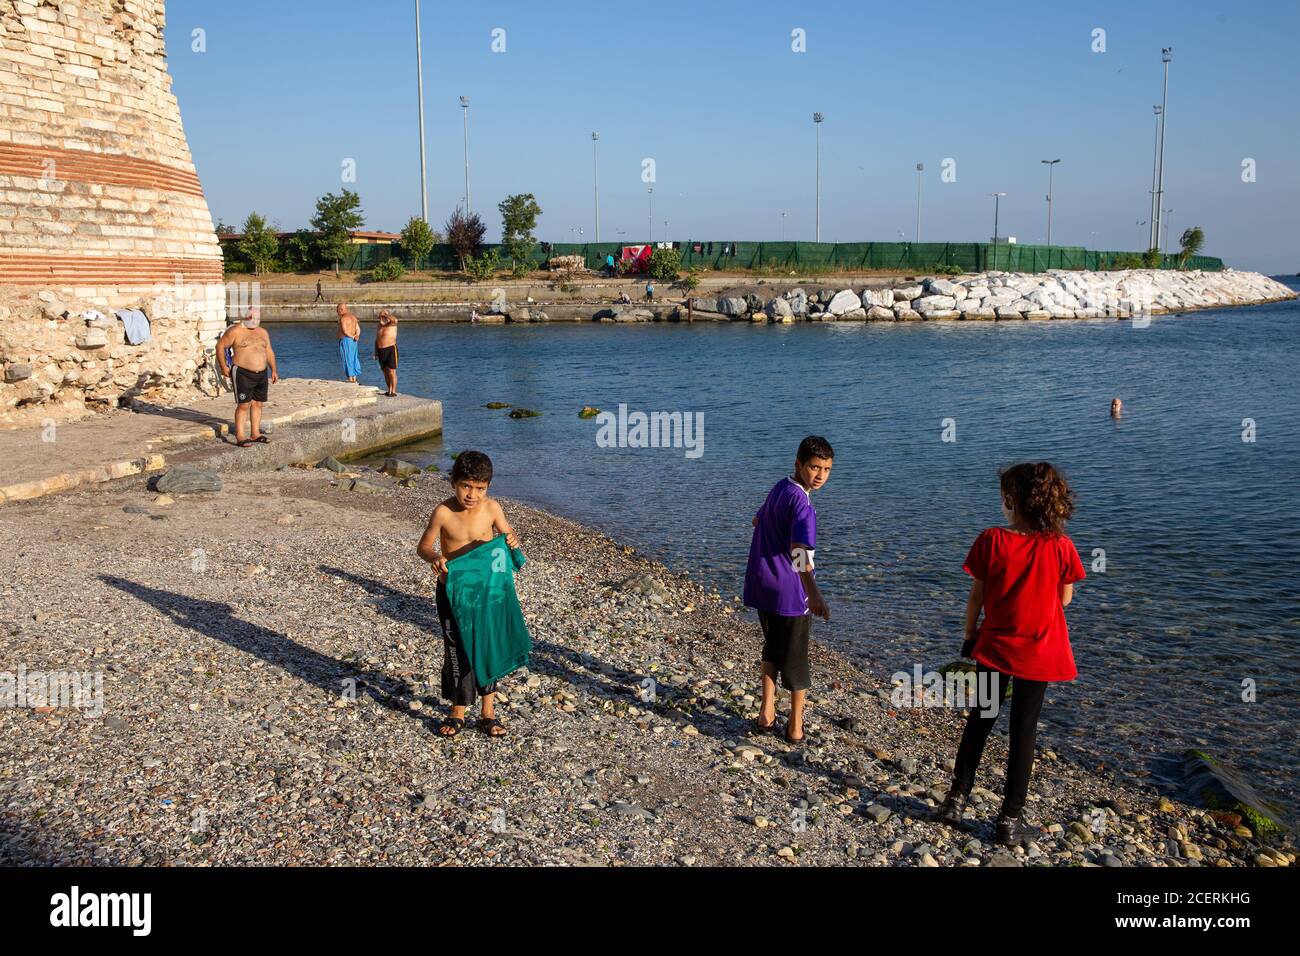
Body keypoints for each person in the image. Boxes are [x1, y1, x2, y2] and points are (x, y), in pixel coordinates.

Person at [936, 462, 1085, 847]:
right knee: (1024, 732)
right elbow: (1064, 598)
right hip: (1038, 653)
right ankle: (1009, 819)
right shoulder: (1062, 546)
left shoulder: (991, 540)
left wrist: (970, 635)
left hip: (995, 649)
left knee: (980, 720)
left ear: (1012, 500)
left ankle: (956, 800)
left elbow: (977, 596)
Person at [416, 451, 521, 738]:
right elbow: (423, 546)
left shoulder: (493, 510)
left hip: (487, 590)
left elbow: (509, 538)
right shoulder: (443, 512)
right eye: (466, 486)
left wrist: (512, 540)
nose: (472, 494)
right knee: (457, 650)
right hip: (453, 591)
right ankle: (457, 710)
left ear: (488, 487)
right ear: (453, 482)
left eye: (479, 488)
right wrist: (435, 557)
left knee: (487, 645)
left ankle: (488, 713)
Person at [743, 436, 834, 744]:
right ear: (799, 464)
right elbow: (799, 553)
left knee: (772, 647)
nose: (820, 475)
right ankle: (795, 726)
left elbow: (757, 518)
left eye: (826, 469)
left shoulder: (780, 488)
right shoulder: (803, 504)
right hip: (790, 593)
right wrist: (815, 594)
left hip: (762, 583)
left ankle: (766, 713)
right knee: (796, 660)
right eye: (814, 467)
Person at [215, 308, 278, 448]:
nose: (255, 320)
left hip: (261, 373)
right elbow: (220, 346)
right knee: (244, 404)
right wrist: (224, 367)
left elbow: (269, 351)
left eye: (257, 318)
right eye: (252, 317)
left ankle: (255, 433)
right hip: (242, 373)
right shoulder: (235, 331)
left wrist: (274, 369)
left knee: (258, 404)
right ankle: (241, 436)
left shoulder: (263, 332)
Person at [374, 309, 399, 397]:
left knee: (392, 371)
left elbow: (395, 320)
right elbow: (377, 340)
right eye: (380, 316)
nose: (381, 318)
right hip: (381, 351)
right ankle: (389, 390)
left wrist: (386, 315)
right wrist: (375, 352)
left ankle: (393, 391)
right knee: (385, 372)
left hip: (391, 349)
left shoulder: (392, 324)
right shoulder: (379, 326)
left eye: (383, 316)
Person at [336, 302, 361, 383]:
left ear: (341, 309)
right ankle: (354, 377)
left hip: (346, 340)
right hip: (354, 341)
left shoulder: (343, 319)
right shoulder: (353, 317)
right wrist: (356, 335)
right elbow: (358, 328)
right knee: (354, 358)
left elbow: (345, 331)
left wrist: (352, 336)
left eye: (337, 310)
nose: (337, 312)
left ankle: (350, 378)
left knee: (347, 358)